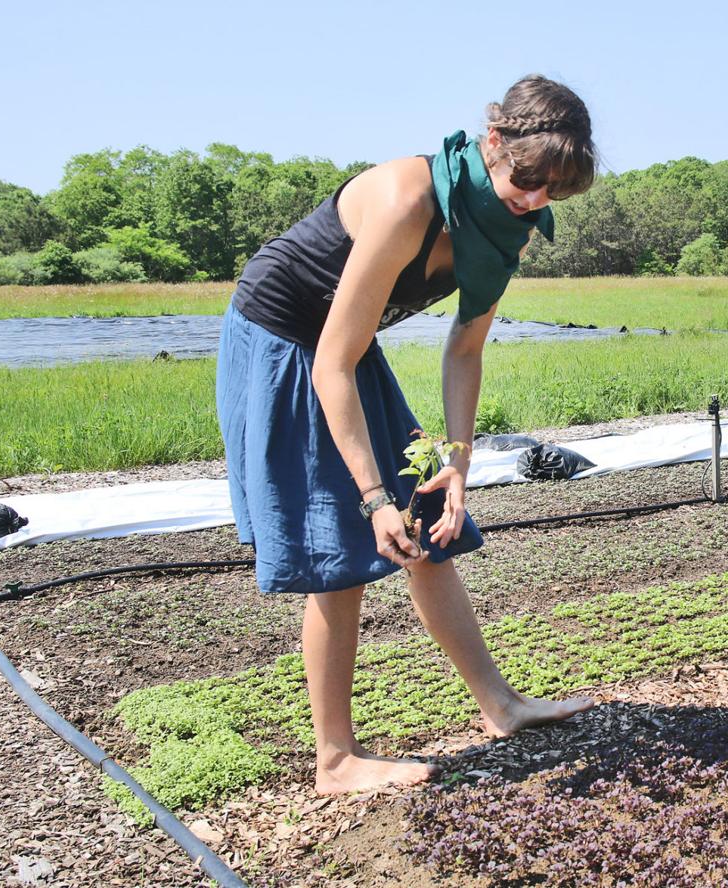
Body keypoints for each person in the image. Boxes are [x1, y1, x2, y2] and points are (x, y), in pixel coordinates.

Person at [216, 75, 598, 794]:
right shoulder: (404, 201)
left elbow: (464, 349)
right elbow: (330, 360)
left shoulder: (504, 224)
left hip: (350, 349)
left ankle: (502, 705)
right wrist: (370, 496)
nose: (537, 200)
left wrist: (455, 464)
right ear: (494, 142)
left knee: (428, 521)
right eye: (528, 179)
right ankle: (334, 760)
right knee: (345, 547)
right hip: (287, 345)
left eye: (555, 190)